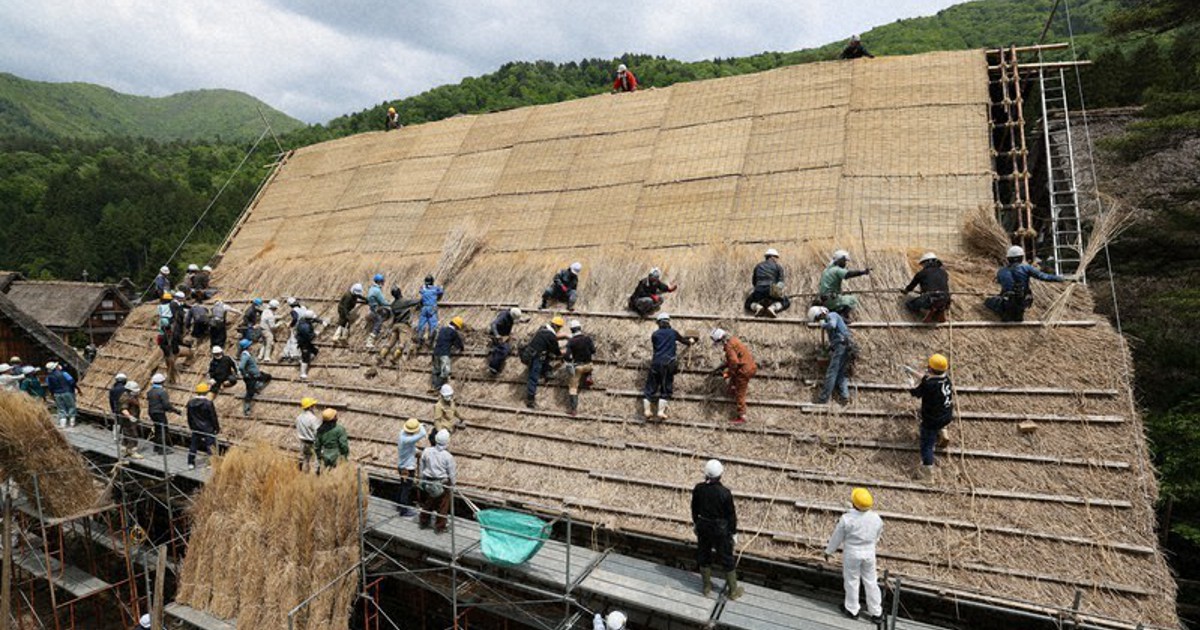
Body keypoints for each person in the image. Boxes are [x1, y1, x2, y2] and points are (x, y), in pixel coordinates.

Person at [824, 488, 884, 622]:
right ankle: (876, 612)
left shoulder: (846, 519)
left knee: (852, 580)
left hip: (852, 552)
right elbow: (878, 536)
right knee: (871, 581)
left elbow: (836, 538)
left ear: (854, 503)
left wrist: (829, 551)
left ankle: (852, 609)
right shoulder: (876, 518)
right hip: (869, 552)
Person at [691, 459, 743, 600]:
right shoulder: (725, 493)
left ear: (706, 474)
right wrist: (733, 532)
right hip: (720, 530)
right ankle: (733, 591)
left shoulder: (698, 489)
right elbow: (731, 515)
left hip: (703, 526)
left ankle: (707, 587)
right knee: (726, 557)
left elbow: (694, 509)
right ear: (721, 474)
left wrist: (696, 523)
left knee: (704, 555)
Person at [984, 245, 1068, 322]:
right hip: (1022, 302)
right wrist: (1061, 278)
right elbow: (1044, 277)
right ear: (1021, 257)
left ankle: (1006, 313)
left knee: (988, 301)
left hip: (1007, 303)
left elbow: (1003, 284)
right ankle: (1016, 313)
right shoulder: (1026, 268)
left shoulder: (1001, 271)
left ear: (1008, 258)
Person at [909, 353, 954, 481]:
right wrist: (917, 374)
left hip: (932, 421)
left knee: (927, 445)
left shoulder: (929, 384)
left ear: (930, 368)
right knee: (940, 419)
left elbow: (916, 393)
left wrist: (911, 384)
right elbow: (929, 379)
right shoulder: (946, 379)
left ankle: (927, 475)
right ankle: (943, 431)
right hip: (946, 416)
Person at [643, 313, 694, 420]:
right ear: (668, 322)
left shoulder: (655, 334)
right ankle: (660, 412)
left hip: (655, 363)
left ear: (658, 323)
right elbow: (684, 341)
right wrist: (690, 341)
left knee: (650, 387)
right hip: (668, 363)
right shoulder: (673, 333)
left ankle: (647, 410)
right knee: (666, 387)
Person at [809, 306, 855, 404]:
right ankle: (845, 396)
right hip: (845, 346)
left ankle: (823, 398)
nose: (819, 320)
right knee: (841, 373)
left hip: (842, 345)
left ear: (822, 312)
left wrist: (823, 325)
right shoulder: (828, 319)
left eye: (818, 317)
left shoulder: (832, 315)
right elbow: (835, 336)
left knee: (831, 373)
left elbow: (832, 325)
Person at [711, 329, 755, 424]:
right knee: (734, 382)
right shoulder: (734, 340)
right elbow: (735, 358)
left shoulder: (729, 346)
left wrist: (727, 374)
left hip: (744, 370)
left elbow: (734, 362)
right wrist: (723, 366)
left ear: (720, 340)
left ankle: (742, 416)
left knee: (740, 392)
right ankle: (732, 389)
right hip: (748, 366)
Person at [521, 316, 565, 408]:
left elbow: (550, 342)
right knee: (533, 377)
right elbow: (557, 352)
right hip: (536, 357)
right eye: (559, 328)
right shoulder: (551, 336)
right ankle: (530, 400)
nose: (559, 330)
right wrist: (566, 352)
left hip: (529, 353)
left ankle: (547, 372)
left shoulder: (542, 329)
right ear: (556, 327)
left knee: (546, 357)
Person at [419, 429, 456, 533]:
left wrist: (422, 479)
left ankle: (423, 521)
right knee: (443, 505)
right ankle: (440, 526)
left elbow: (422, 466)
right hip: (442, 483)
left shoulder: (427, 451)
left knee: (429, 502)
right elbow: (452, 473)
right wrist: (453, 484)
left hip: (429, 481)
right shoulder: (448, 457)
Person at [819, 250, 871, 319]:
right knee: (852, 299)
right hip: (832, 300)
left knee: (841, 298)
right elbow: (848, 274)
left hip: (824, 301)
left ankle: (835, 313)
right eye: (844, 261)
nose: (845, 263)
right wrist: (863, 272)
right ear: (840, 260)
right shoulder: (836, 270)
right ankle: (842, 316)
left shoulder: (826, 270)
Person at [901, 252, 951, 322]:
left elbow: (911, 286)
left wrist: (905, 291)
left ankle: (930, 310)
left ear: (927, 262)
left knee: (910, 304)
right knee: (939, 299)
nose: (923, 266)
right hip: (946, 300)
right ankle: (940, 310)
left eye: (923, 264)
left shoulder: (922, 273)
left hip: (930, 299)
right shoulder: (944, 273)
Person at [378, 287, 421, 366]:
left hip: (395, 325)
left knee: (390, 343)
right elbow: (417, 301)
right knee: (402, 344)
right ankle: (394, 358)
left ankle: (381, 356)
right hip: (403, 325)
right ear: (400, 292)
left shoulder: (393, 305)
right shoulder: (405, 301)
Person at [744, 248, 790, 317]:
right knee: (786, 301)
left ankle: (757, 307)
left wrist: (758, 290)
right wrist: (778, 293)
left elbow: (754, 282)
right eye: (776, 257)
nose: (777, 259)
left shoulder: (758, 266)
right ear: (772, 257)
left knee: (748, 303)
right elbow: (781, 283)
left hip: (759, 289)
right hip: (772, 288)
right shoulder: (778, 267)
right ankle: (773, 308)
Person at [564, 319, 596, 416]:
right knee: (588, 366)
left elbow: (567, 356)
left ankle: (573, 410)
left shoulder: (571, 342)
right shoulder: (588, 339)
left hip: (578, 367)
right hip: (589, 366)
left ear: (571, 330)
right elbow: (593, 351)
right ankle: (588, 376)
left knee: (573, 388)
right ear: (580, 328)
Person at [397, 418, 427, 516]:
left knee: (402, 487)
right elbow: (423, 433)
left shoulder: (402, 433)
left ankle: (400, 505)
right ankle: (404, 510)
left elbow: (411, 447)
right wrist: (421, 426)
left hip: (401, 466)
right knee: (407, 489)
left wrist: (416, 451)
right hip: (408, 468)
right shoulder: (407, 440)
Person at [186, 383, 220, 470]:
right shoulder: (208, 403)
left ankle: (190, 463)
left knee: (193, 445)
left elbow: (189, 416)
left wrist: (191, 426)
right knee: (210, 446)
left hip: (196, 427)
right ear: (206, 391)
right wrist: (216, 428)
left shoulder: (190, 403)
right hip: (208, 428)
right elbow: (213, 417)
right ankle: (210, 464)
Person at [146, 373, 179, 453]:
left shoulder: (150, 391)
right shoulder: (162, 392)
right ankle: (161, 449)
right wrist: (176, 410)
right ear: (162, 382)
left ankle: (156, 447)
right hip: (159, 413)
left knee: (157, 429)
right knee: (162, 430)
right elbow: (166, 404)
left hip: (151, 412)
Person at [237, 339, 271, 415]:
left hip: (256, 375)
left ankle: (257, 387)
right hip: (250, 377)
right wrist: (245, 374)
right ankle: (247, 409)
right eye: (250, 345)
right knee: (249, 393)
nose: (252, 346)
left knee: (267, 377)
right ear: (247, 347)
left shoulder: (249, 354)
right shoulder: (245, 356)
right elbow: (241, 367)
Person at [431, 316, 465, 391]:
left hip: (435, 353)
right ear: (456, 326)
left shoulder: (442, 329)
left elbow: (433, 338)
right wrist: (462, 349)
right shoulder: (453, 332)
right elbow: (458, 343)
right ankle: (437, 387)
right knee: (445, 371)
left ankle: (433, 385)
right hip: (444, 353)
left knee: (436, 370)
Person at [486, 307, 522, 375]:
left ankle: (495, 349)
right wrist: (497, 335)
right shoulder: (503, 317)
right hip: (497, 335)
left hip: (504, 335)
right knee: (504, 349)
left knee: (509, 346)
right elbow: (493, 324)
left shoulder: (509, 315)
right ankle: (493, 366)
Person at [46, 362, 78, 429]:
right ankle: (72, 423)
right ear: (55, 367)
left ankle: (63, 424)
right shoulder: (64, 373)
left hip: (57, 394)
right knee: (71, 406)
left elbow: (50, 387)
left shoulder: (48, 377)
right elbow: (72, 382)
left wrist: (52, 394)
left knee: (61, 408)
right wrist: (77, 389)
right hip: (67, 392)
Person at [415, 275, 444, 348]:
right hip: (432, 308)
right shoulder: (435, 289)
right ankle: (430, 340)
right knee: (433, 324)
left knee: (421, 324)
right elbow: (441, 291)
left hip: (424, 308)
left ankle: (419, 341)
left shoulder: (423, 288)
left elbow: (420, 290)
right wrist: (441, 287)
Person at [118, 380, 143, 459]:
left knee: (127, 434)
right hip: (128, 421)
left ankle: (125, 449)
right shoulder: (126, 398)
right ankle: (132, 451)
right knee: (133, 435)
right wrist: (130, 416)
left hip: (131, 419)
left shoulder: (131, 396)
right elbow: (123, 409)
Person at [295, 397, 320, 472]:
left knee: (304, 460)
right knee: (314, 462)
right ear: (310, 407)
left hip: (302, 442)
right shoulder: (312, 418)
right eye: (313, 405)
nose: (314, 407)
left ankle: (302, 475)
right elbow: (317, 432)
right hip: (311, 442)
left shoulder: (298, 417)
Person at [365, 273, 388, 350]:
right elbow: (383, 302)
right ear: (380, 282)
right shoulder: (377, 291)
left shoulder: (371, 289)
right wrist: (391, 304)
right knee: (379, 322)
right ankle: (370, 341)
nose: (383, 283)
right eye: (382, 281)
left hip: (371, 309)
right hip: (376, 311)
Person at [296, 308, 320, 381]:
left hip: (306, 342)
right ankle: (302, 373)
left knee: (315, 351)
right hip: (304, 343)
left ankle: (305, 361)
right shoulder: (305, 327)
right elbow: (309, 336)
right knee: (305, 357)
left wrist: (321, 321)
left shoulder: (304, 321)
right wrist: (315, 334)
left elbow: (314, 319)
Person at [280, 297, 303, 363]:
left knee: (293, 341)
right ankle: (285, 354)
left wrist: (291, 324)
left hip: (297, 327)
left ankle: (294, 355)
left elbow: (295, 318)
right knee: (290, 340)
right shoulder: (302, 309)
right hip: (301, 326)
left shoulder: (294, 311)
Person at [108, 373, 128, 438]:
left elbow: (111, 400)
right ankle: (124, 437)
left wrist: (113, 409)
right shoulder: (125, 389)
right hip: (124, 408)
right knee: (124, 423)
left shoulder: (112, 389)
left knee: (117, 422)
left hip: (116, 408)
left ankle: (115, 436)